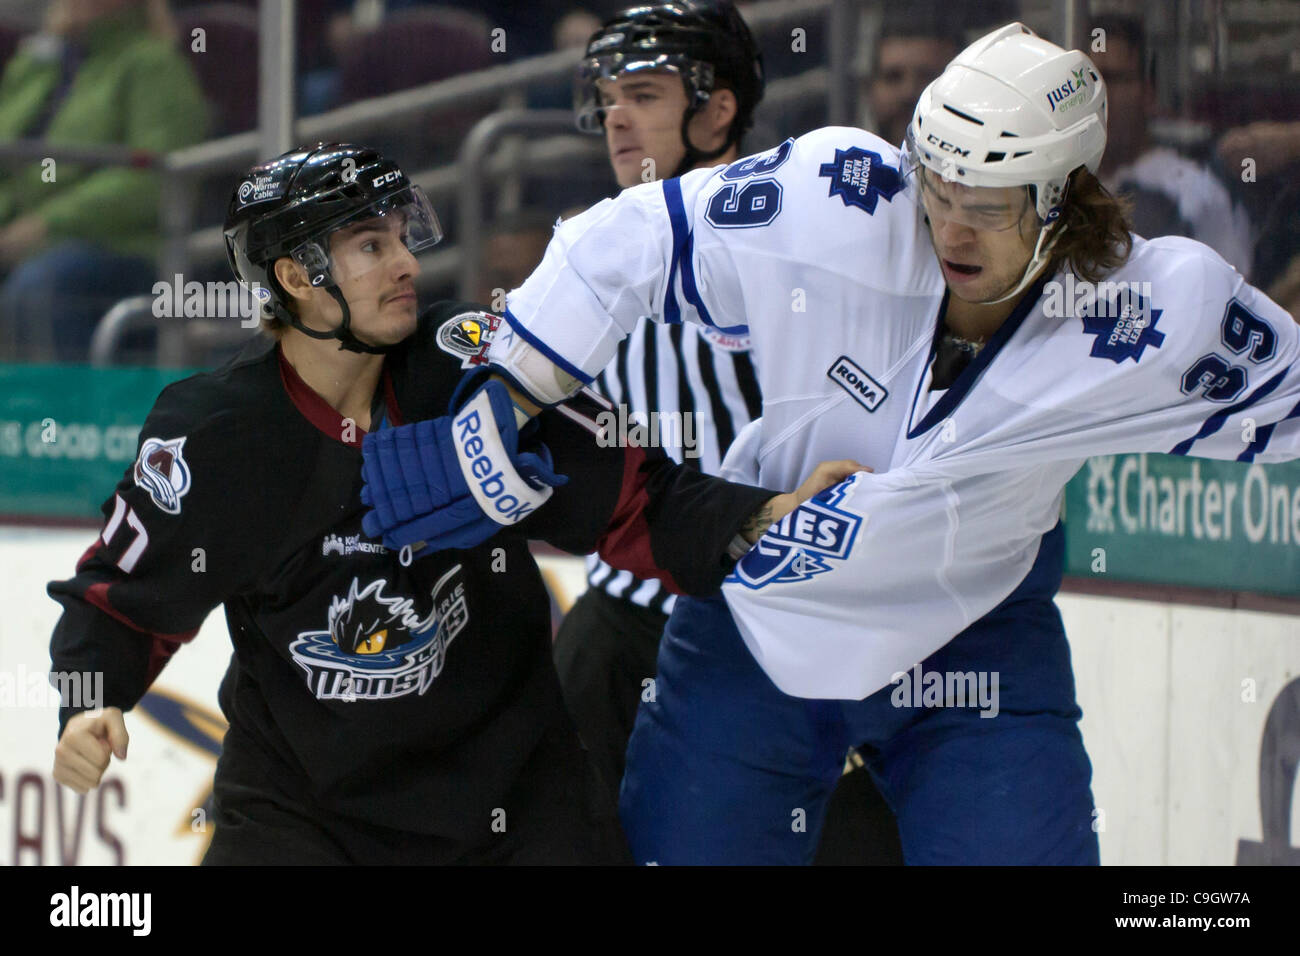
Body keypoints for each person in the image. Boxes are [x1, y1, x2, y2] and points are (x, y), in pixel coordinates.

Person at [362, 23, 1300, 864]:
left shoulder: (1152, 314)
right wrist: (509, 387)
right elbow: (621, 242)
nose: (950, 227)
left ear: (1064, 198)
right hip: (763, 608)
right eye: (939, 187)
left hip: (975, 636)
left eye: (989, 205)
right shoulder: (838, 196)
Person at [47, 142, 842, 865]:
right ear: (295, 278)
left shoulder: (468, 367)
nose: (407, 264)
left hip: (512, 802)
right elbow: (119, 601)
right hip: (302, 816)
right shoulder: (215, 435)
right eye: (371, 246)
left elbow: (635, 497)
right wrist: (90, 704)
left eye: (403, 237)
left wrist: (759, 520)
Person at [558, 0, 900, 864]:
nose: (616, 117)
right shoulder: (595, 247)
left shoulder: (808, 246)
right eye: (608, 97)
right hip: (619, 630)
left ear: (717, 113)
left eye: (644, 94)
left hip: (776, 623)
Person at [0, 0, 208, 360]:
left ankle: (64, 400)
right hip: (25, 240)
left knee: (39, 286)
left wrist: (47, 223)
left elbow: (153, 179)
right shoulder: (36, 68)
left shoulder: (153, 63)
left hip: (121, 245)